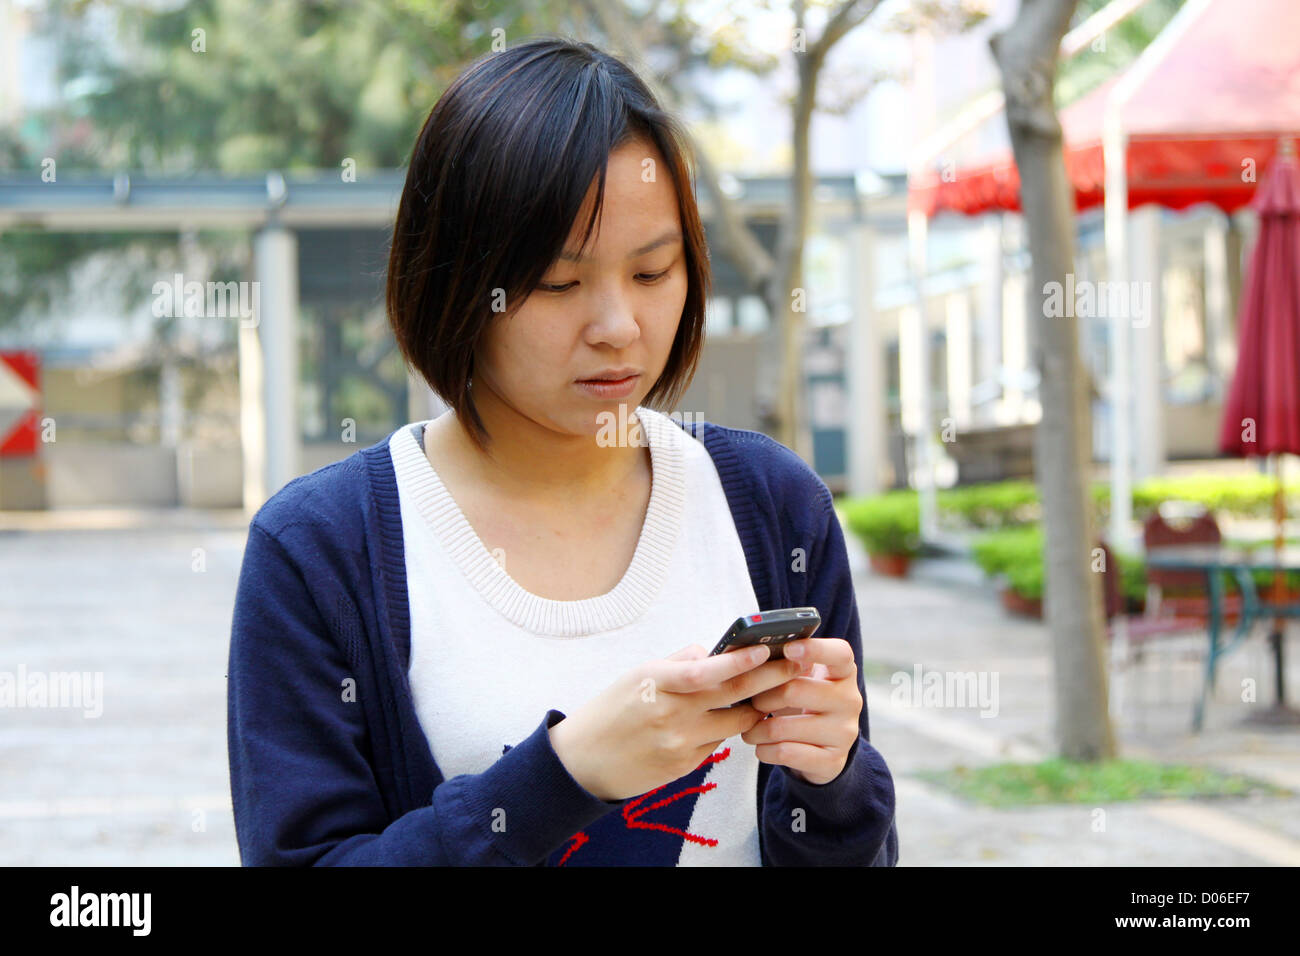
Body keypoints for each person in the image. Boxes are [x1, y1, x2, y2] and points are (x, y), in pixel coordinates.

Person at [227, 35, 898, 866]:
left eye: (653, 273)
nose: (618, 328)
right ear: (456, 282)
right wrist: (566, 774)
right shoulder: (322, 549)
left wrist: (834, 781)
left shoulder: (771, 503)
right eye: (556, 283)